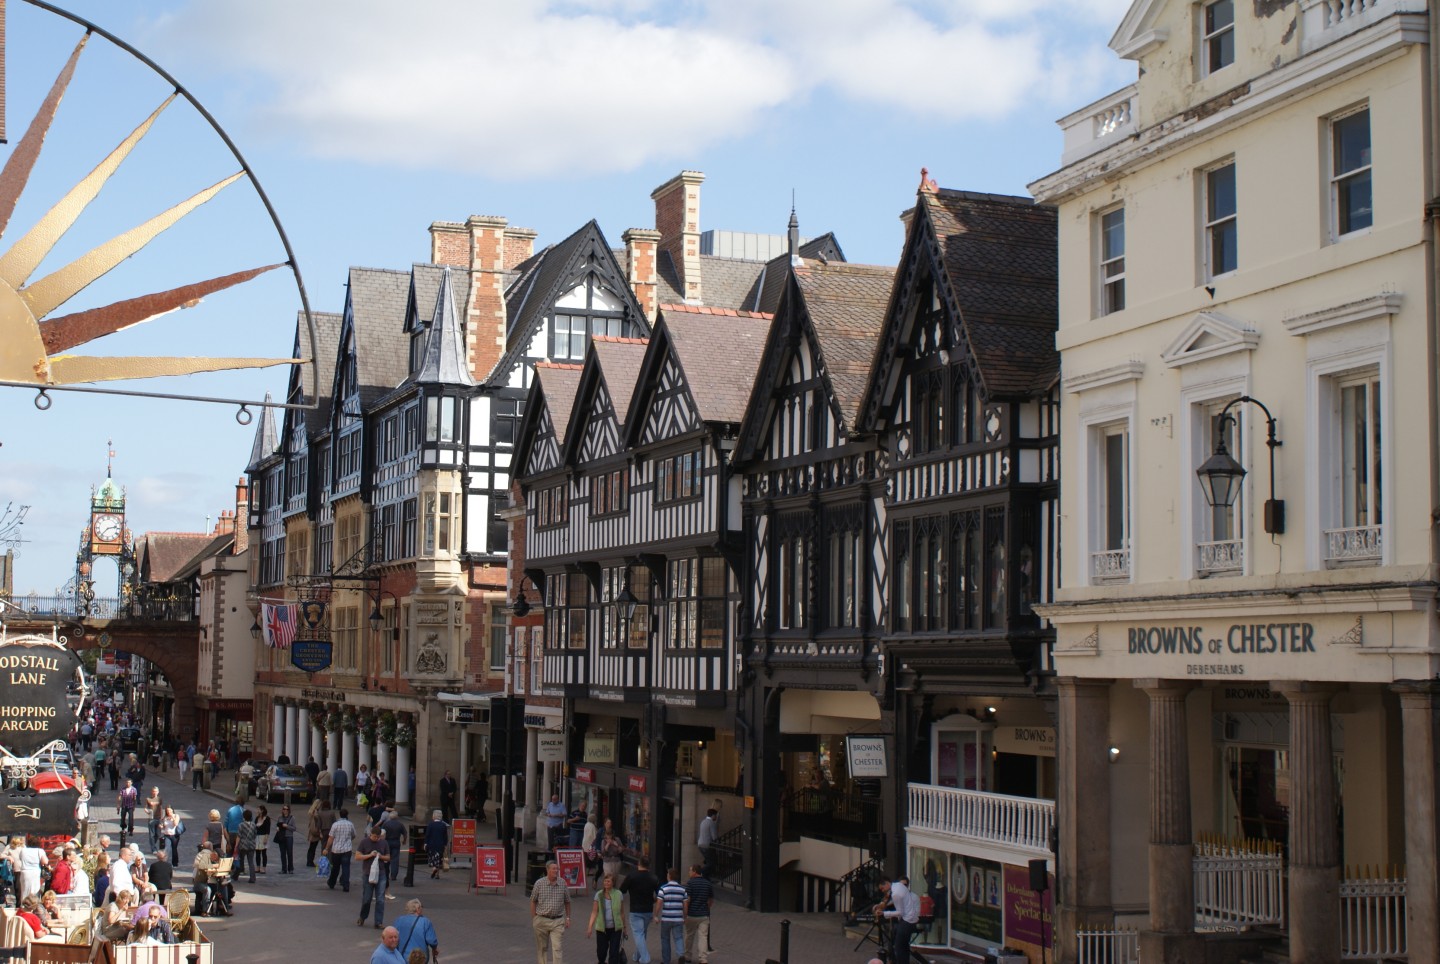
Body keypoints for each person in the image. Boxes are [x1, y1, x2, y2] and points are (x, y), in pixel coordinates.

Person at [530, 860, 572, 964]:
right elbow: (533, 900)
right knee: (542, 949)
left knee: (557, 948)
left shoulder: (562, 883)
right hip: (541, 920)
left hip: (557, 921)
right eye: (554, 868)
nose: (556, 871)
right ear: (547, 870)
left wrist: (568, 918)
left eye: (557, 869)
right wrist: (534, 918)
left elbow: (567, 901)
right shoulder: (539, 883)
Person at [621, 856, 659, 964]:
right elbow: (659, 895)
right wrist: (653, 900)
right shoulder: (653, 877)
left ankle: (645, 958)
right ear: (649, 866)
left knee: (638, 934)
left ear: (639, 864)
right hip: (648, 910)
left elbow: (622, 890)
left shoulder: (631, 876)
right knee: (642, 934)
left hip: (635, 910)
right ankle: (637, 956)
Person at [876, 875, 921, 964]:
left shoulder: (896, 893)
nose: (883, 891)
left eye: (882, 888)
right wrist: (882, 904)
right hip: (909, 919)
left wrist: (884, 913)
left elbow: (900, 912)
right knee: (903, 946)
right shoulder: (897, 886)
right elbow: (894, 899)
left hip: (907, 920)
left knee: (899, 947)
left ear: (887, 884)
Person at [587, 872, 628, 964]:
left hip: (615, 929)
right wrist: (590, 927)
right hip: (602, 929)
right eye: (605, 881)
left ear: (613, 883)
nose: (606, 883)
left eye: (608, 881)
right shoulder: (599, 895)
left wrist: (624, 928)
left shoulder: (618, 894)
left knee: (614, 953)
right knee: (601, 953)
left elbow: (622, 912)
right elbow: (594, 912)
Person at [356, 826, 390, 929]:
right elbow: (357, 856)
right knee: (367, 898)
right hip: (368, 873)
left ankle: (378, 922)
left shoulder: (384, 843)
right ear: (371, 834)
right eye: (375, 836)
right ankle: (362, 917)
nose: (376, 839)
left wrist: (381, 856)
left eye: (378, 837)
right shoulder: (364, 842)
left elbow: (388, 857)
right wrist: (370, 855)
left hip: (381, 873)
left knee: (380, 899)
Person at [655, 867, 688, 964]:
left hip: (666, 918)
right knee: (678, 937)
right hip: (678, 918)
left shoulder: (663, 888)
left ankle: (666, 960)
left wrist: (656, 915)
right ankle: (681, 954)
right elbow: (685, 905)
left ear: (669, 876)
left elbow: (659, 903)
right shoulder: (682, 889)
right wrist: (685, 917)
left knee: (665, 939)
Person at [392, 897, 440, 963]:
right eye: (421, 907)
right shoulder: (425, 922)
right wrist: (434, 949)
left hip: (402, 958)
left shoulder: (399, 920)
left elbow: (393, 938)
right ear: (418, 909)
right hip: (419, 959)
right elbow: (432, 941)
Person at [683, 864, 714, 964]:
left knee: (689, 936)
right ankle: (703, 958)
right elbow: (710, 900)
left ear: (695, 872)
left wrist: (685, 914)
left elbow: (687, 901)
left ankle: (687, 956)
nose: (689, 872)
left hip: (692, 914)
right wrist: (706, 907)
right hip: (704, 915)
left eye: (690, 871)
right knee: (703, 937)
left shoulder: (690, 884)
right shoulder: (708, 884)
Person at [191, 843, 231, 917]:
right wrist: (211, 867)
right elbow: (200, 866)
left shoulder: (214, 858)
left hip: (210, 882)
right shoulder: (204, 856)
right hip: (200, 882)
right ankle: (205, 910)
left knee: (223, 886)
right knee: (208, 889)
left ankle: (225, 908)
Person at [325, 807, 357, 892]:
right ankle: (346, 885)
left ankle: (332, 882)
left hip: (336, 849)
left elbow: (331, 838)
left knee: (335, 867)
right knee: (346, 867)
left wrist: (326, 848)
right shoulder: (350, 824)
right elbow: (354, 835)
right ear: (347, 815)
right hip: (347, 849)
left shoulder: (335, 825)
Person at [381, 807, 406, 885]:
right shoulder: (400, 824)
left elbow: (382, 833)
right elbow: (405, 833)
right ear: (397, 817)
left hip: (387, 841)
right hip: (396, 841)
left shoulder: (386, 824)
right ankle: (394, 875)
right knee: (395, 859)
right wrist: (404, 840)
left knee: (386, 858)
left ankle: (386, 873)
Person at [307, 798, 334, 867]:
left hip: (314, 831)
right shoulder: (317, 813)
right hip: (317, 832)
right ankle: (324, 861)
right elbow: (318, 823)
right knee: (324, 846)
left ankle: (310, 861)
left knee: (313, 847)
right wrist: (319, 832)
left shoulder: (312, 812)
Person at [234, 809, 258, 884]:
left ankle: (236, 875)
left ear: (244, 817)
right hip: (251, 845)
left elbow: (239, 836)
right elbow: (255, 835)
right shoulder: (253, 825)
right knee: (251, 862)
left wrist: (236, 845)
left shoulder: (241, 825)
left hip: (243, 845)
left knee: (241, 861)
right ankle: (253, 878)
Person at [423, 811, 448, 879]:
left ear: (434, 816)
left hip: (432, 845)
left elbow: (427, 835)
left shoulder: (430, 824)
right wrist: (445, 845)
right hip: (440, 845)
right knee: (439, 859)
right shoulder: (443, 825)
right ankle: (437, 875)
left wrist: (425, 843)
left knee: (433, 859)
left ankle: (434, 869)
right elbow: (445, 837)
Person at [275, 804, 297, 874]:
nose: (285, 810)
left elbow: (294, 828)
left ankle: (290, 868)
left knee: (289, 853)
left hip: (289, 836)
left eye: (286, 809)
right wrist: (277, 828)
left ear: (289, 810)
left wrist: (287, 826)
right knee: (282, 853)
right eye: (284, 809)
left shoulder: (292, 818)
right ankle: (283, 869)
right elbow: (278, 825)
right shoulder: (280, 817)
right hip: (281, 836)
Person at [697, 808, 718, 877]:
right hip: (707, 845)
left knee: (708, 860)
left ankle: (706, 875)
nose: (716, 817)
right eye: (716, 815)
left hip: (700, 844)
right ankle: (700, 872)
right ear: (713, 815)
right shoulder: (711, 823)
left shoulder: (703, 821)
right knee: (712, 862)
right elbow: (714, 836)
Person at [144, 786, 164, 854]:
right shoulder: (148, 799)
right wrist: (148, 812)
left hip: (158, 818)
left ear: (158, 792)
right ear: (151, 791)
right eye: (153, 791)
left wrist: (162, 816)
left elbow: (161, 808)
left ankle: (153, 845)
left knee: (158, 834)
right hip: (151, 819)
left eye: (156, 791)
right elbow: (145, 808)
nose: (155, 792)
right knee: (152, 834)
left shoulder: (159, 799)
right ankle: (153, 848)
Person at [255, 805, 272, 874]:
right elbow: (255, 827)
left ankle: (264, 867)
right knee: (257, 853)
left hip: (264, 836)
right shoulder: (257, 818)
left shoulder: (267, 819)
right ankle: (258, 867)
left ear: (262, 810)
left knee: (264, 853)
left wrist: (266, 838)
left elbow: (268, 829)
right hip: (257, 837)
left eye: (258, 809)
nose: (257, 811)